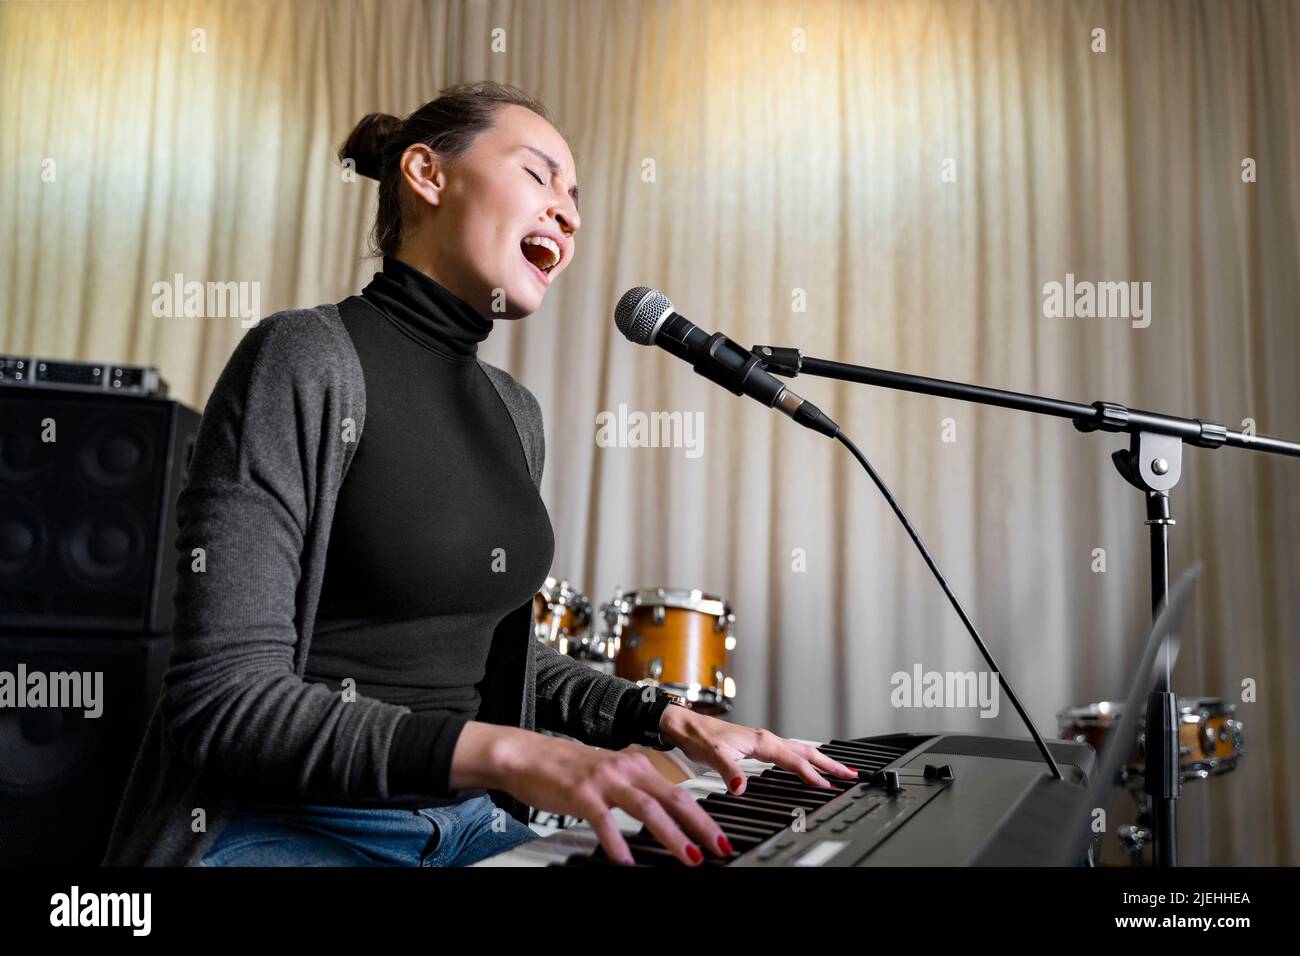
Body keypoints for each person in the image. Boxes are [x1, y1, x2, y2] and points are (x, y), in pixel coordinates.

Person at [104, 81, 857, 869]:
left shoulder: (513, 412)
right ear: (427, 175)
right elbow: (224, 701)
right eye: (539, 176)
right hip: (285, 826)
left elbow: (490, 657)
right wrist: (514, 755)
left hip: (469, 827)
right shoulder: (301, 360)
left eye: (575, 196)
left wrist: (665, 718)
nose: (568, 213)